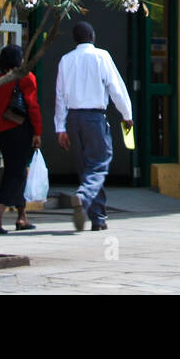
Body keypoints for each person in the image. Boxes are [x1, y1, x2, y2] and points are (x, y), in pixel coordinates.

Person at [54, 21, 133, 231]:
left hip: (73, 119)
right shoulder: (101, 56)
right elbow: (115, 87)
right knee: (100, 162)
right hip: (94, 118)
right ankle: (83, 196)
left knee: (86, 168)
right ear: (92, 36)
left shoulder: (65, 60)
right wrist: (126, 114)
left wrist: (60, 127)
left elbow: (60, 96)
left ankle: (98, 218)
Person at [0, 44, 43, 233]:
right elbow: (33, 106)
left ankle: (22, 217)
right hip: (19, 130)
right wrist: (38, 132)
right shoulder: (26, 78)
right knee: (17, 173)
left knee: (16, 170)